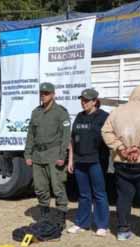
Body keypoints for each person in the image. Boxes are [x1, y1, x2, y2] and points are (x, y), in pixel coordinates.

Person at [102, 85, 140, 244]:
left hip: (121, 160)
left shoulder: (117, 111)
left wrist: (121, 148)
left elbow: (106, 131)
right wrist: (139, 145)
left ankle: (122, 230)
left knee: (123, 197)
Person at [24, 82, 71, 228]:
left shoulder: (60, 112)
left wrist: (62, 156)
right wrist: (27, 154)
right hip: (38, 155)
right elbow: (31, 134)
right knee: (40, 187)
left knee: (58, 187)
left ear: (53, 95)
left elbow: (65, 136)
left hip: (54, 154)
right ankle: (44, 215)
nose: (43, 96)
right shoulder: (36, 112)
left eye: (46, 93)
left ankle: (60, 217)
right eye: (41, 94)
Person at [66, 88, 110, 236]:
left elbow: (111, 138)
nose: (83, 103)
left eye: (86, 101)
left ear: (95, 101)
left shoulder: (104, 117)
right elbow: (72, 139)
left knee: (99, 193)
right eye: (82, 100)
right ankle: (81, 223)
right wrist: (71, 159)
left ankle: (101, 225)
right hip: (80, 161)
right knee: (84, 194)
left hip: (96, 161)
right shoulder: (79, 116)